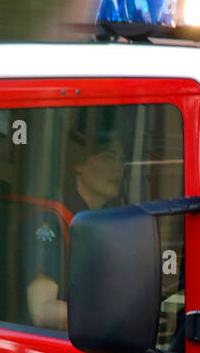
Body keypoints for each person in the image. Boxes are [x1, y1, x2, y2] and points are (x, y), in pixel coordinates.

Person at [24, 130, 125, 330]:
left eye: (121, 161)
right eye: (108, 158)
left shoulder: (105, 223)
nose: (118, 169)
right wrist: (118, 317)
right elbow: (42, 311)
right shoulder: (49, 220)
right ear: (78, 164)